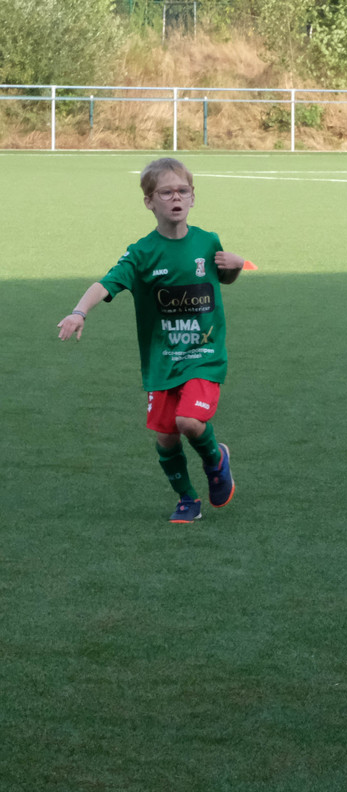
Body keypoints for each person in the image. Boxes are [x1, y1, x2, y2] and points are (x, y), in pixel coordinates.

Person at [57, 157, 244, 524]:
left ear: (193, 197)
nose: (176, 198)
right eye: (166, 192)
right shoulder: (142, 253)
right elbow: (106, 283)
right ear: (149, 201)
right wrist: (79, 311)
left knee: (189, 422)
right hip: (162, 360)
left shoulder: (208, 241)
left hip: (204, 354)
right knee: (166, 438)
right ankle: (187, 499)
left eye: (183, 191)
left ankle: (215, 461)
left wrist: (234, 267)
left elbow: (222, 280)